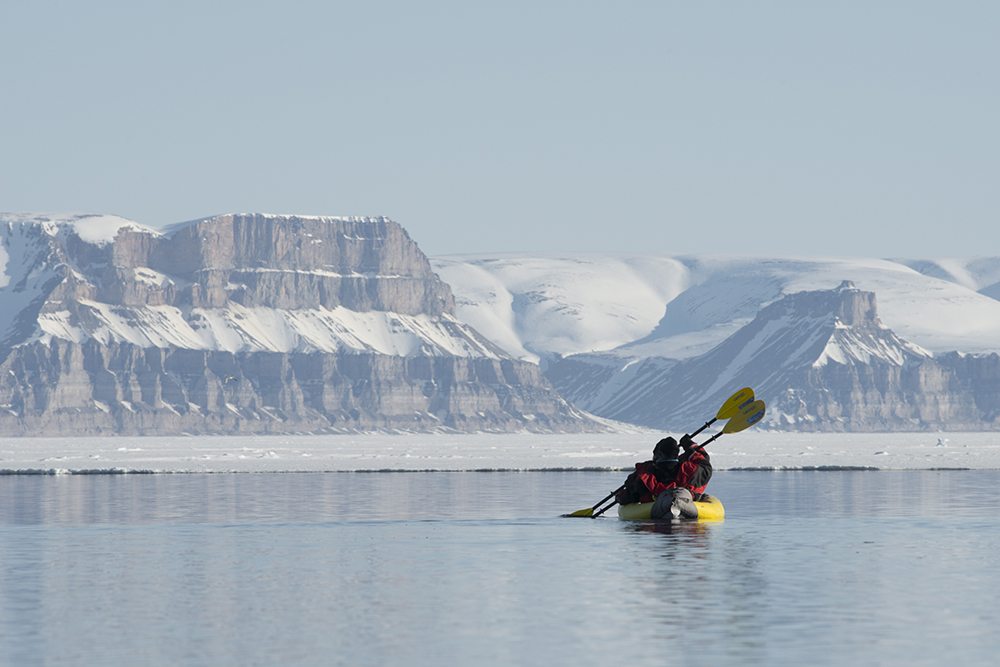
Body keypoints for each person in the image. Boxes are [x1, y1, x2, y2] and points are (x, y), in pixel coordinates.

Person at [615, 434, 713, 519]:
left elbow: (629, 496)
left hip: (657, 510)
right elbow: (704, 461)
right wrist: (690, 445)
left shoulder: (645, 472)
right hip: (685, 504)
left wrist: (620, 497)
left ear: (658, 455)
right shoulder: (690, 469)